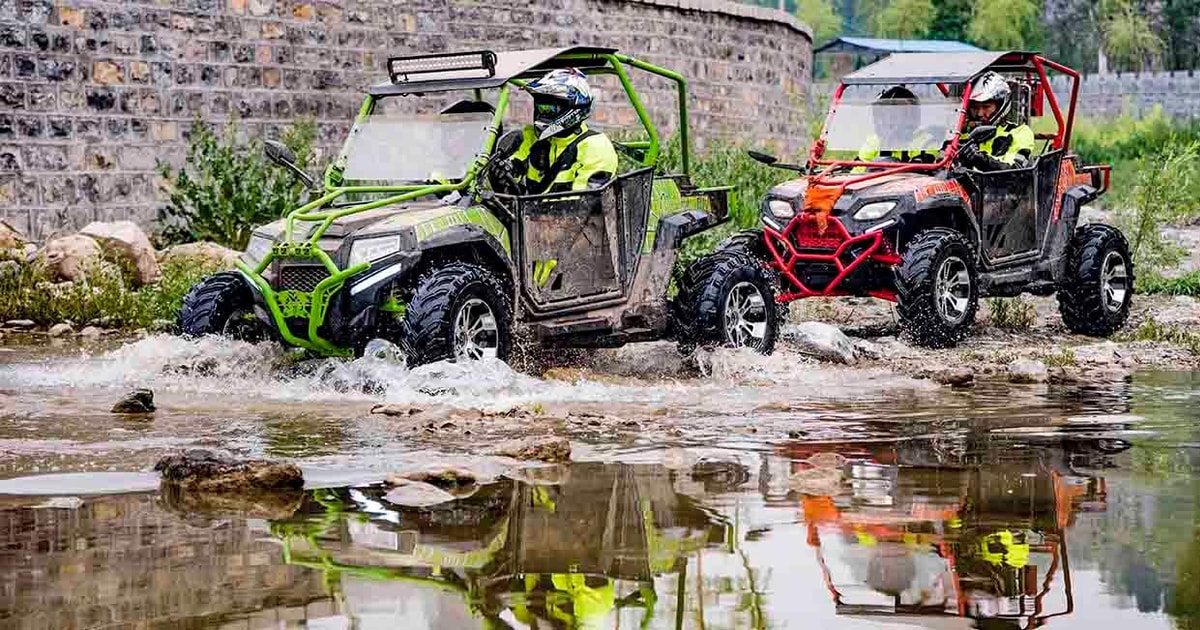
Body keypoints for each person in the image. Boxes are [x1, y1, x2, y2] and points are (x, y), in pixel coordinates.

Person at [508, 68, 619, 194]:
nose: (541, 113)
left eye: (549, 108)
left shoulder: (595, 147)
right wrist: (502, 175)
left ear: (573, 108)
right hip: (523, 212)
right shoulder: (530, 138)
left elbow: (586, 205)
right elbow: (510, 181)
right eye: (539, 107)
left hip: (569, 213)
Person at [957, 71, 1036, 171]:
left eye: (986, 107)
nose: (979, 114)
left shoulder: (1020, 132)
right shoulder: (960, 133)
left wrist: (980, 160)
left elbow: (1016, 169)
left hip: (1000, 186)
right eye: (975, 108)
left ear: (1000, 106)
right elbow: (939, 157)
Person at [855, 86, 940, 166]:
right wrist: (886, 142)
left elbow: (919, 175)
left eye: (894, 114)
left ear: (911, 116)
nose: (888, 120)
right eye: (884, 114)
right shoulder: (874, 141)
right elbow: (857, 171)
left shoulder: (927, 142)